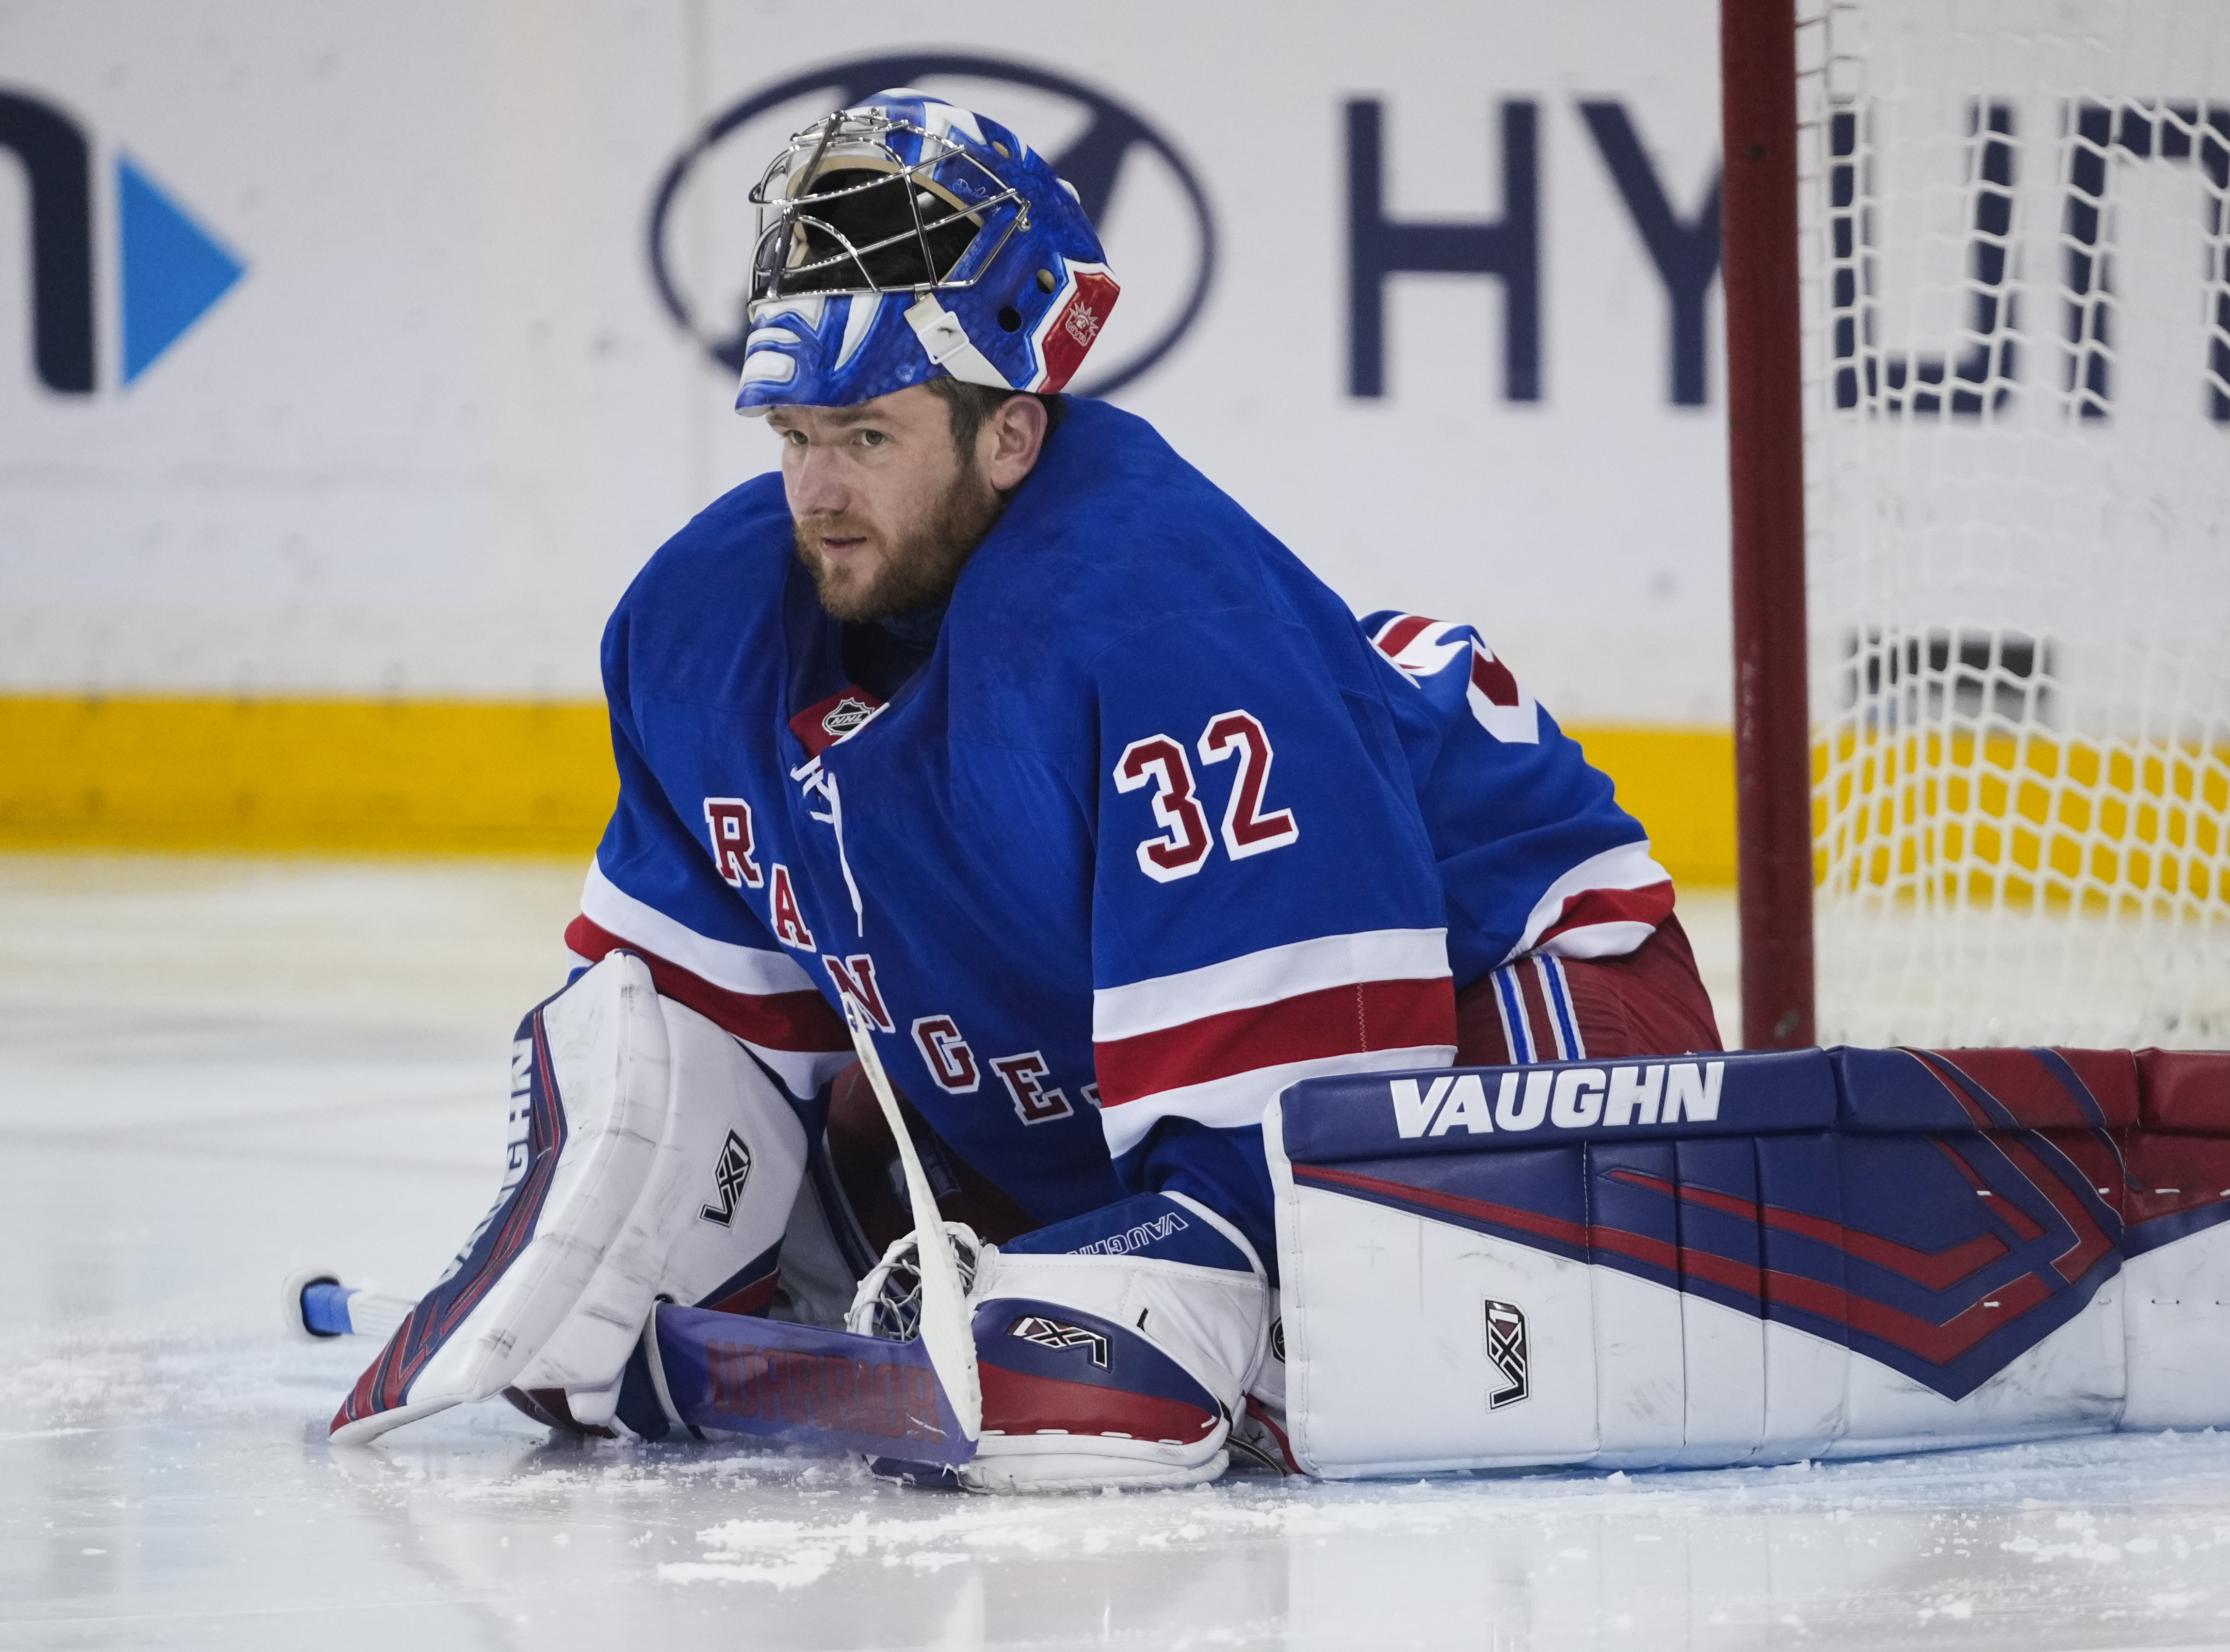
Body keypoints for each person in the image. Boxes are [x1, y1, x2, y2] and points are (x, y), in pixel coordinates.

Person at [372, 89, 1722, 1486]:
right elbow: (674, 1042)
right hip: (1091, 1072)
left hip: (1497, 1000)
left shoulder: (1158, 629)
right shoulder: (696, 629)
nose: (816, 492)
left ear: (1011, 436)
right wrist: (608, 1241)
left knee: (1365, 1343)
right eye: (793, 435)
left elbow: (1307, 1125)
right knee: (825, 1180)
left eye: (868, 437)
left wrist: (1157, 1300)